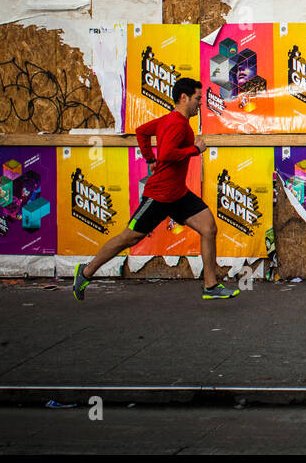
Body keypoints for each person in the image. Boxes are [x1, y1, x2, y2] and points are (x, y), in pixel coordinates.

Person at [72, 77, 239, 301]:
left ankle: (211, 285)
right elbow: (169, 154)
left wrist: (150, 157)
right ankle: (85, 272)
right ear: (184, 97)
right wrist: (194, 150)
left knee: (208, 228)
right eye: (198, 99)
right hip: (159, 196)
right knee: (128, 238)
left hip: (178, 194)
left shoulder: (170, 120)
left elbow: (141, 131)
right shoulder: (177, 124)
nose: (200, 103)